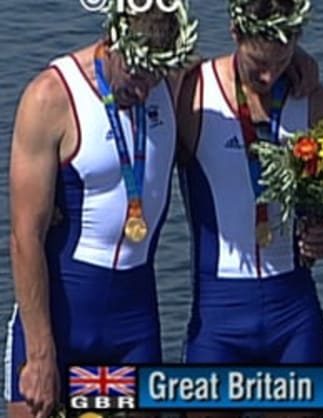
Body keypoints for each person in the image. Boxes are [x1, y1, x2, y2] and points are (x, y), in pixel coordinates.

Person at [3, 2, 198, 418]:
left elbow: (242, 69)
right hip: (61, 323)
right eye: (136, 75)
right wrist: (40, 355)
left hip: (134, 326)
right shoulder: (50, 98)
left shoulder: (173, 79)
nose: (145, 91)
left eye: (154, 77)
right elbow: (24, 238)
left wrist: (299, 61)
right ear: (112, 40)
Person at [176, 0, 323, 368]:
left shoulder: (318, 104)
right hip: (217, 320)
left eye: (281, 62)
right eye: (259, 65)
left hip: (295, 316)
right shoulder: (193, 94)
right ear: (235, 33)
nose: (270, 77)